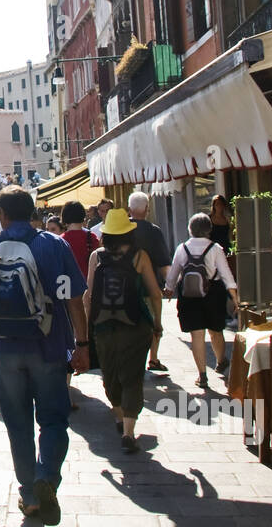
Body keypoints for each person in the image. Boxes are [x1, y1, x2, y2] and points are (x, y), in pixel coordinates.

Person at [0, 185, 89, 526]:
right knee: (53, 420)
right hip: (49, 345)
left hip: (6, 348)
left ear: (1, 215)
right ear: (32, 212)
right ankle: (46, 476)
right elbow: (73, 299)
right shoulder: (54, 245)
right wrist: (81, 344)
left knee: (17, 423)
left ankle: (30, 496)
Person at [83, 210, 162, 453]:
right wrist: (157, 322)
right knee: (132, 376)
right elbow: (155, 293)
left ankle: (119, 416)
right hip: (136, 325)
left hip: (103, 327)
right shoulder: (140, 256)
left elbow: (88, 296)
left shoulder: (97, 256)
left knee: (110, 375)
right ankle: (128, 430)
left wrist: (88, 327)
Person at [164, 213, 239, 389]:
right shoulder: (215, 248)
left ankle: (202, 375)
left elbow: (173, 273)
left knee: (196, 334)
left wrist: (169, 289)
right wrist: (235, 297)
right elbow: (226, 275)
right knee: (216, 330)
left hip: (189, 294)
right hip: (213, 293)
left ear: (190, 229)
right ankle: (221, 361)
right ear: (209, 229)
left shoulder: (182, 248)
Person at [126, 192, 173, 373]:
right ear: (147, 209)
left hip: (125, 288)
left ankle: (134, 358)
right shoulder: (154, 231)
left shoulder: (122, 230)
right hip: (149, 286)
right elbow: (163, 263)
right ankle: (153, 358)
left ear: (129, 209)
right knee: (154, 323)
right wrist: (170, 285)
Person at [59, 201, 100, 279]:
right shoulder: (92, 237)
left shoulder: (60, 240)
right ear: (83, 216)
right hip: (90, 282)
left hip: (69, 283)